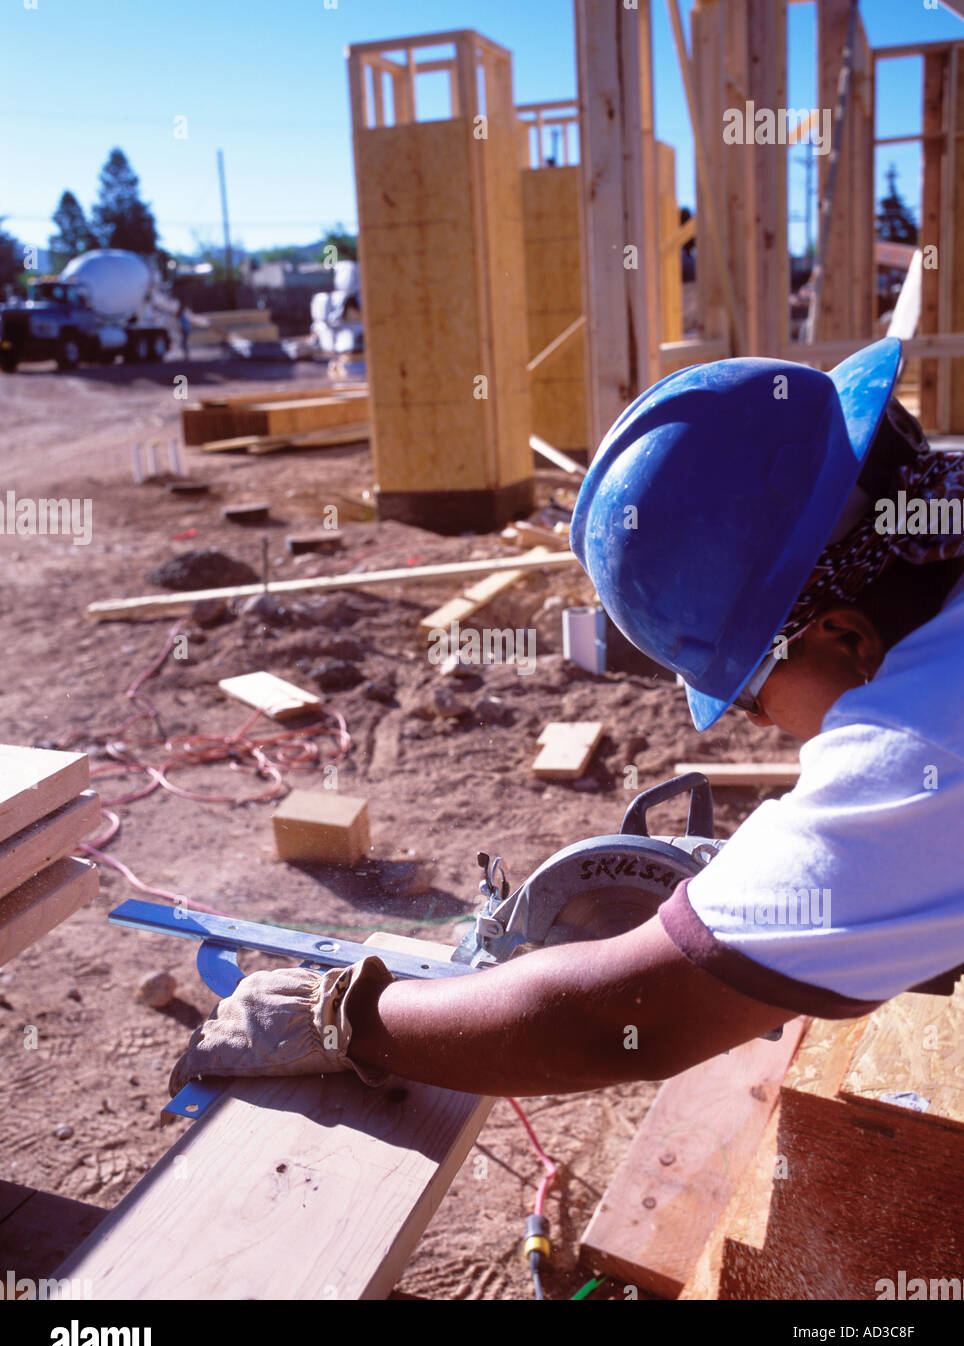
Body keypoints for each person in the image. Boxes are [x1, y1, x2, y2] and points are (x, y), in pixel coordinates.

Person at [170, 338, 964, 1100]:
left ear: (845, 635)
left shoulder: (916, 747)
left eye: (749, 687)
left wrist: (345, 1017)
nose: (755, 724)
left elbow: (619, 1021)